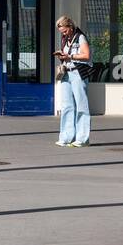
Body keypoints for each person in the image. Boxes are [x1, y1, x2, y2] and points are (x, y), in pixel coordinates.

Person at [53, 16, 91, 147]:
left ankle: (82, 139)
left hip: (78, 73)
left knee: (81, 105)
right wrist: (62, 56)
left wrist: (70, 56)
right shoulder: (65, 39)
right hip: (66, 73)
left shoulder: (80, 37)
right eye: (61, 32)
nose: (63, 34)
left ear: (70, 26)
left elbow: (86, 55)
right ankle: (66, 137)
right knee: (66, 106)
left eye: (64, 31)